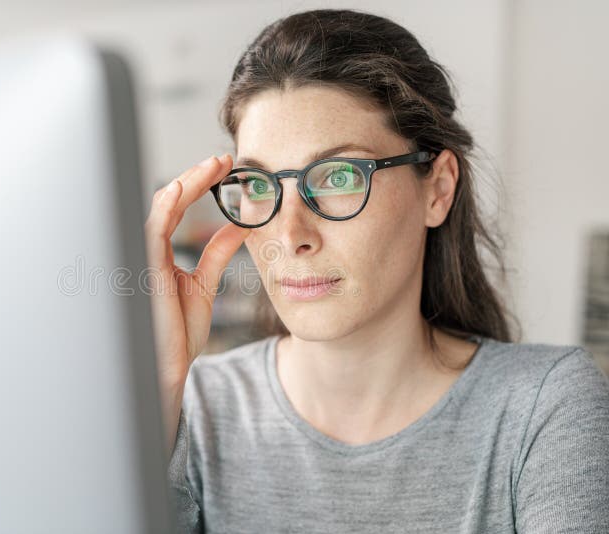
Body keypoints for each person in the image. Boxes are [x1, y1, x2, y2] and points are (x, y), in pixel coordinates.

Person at [144, 9, 609, 533]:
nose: (290, 235)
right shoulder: (193, 408)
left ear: (437, 189)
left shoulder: (545, 407)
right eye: (257, 184)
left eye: (339, 175)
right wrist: (160, 385)